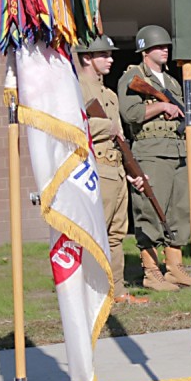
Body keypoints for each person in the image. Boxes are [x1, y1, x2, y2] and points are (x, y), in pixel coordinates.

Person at [116, 25, 191, 291]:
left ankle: (174, 267)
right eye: (158, 46)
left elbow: (181, 115)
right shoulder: (134, 77)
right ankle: (151, 272)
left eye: (165, 46)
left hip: (177, 150)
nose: (164, 50)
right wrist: (161, 105)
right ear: (144, 50)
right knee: (150, 209)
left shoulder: (171, 81)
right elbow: (131, 114)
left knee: (179, 210)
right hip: (150, 151)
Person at [76, 35, 150, 303]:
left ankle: (116, 291)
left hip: (115, 169)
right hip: (95, 168)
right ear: (87, 57)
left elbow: (120, 139)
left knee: (116, 234)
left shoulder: (108, 94)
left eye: (110, 54)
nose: (110, 59)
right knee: (95, 233)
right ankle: (89, 293)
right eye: (103, 55)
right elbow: (74, 126)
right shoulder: (77, 89)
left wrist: (133, 172)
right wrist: (106, 127)